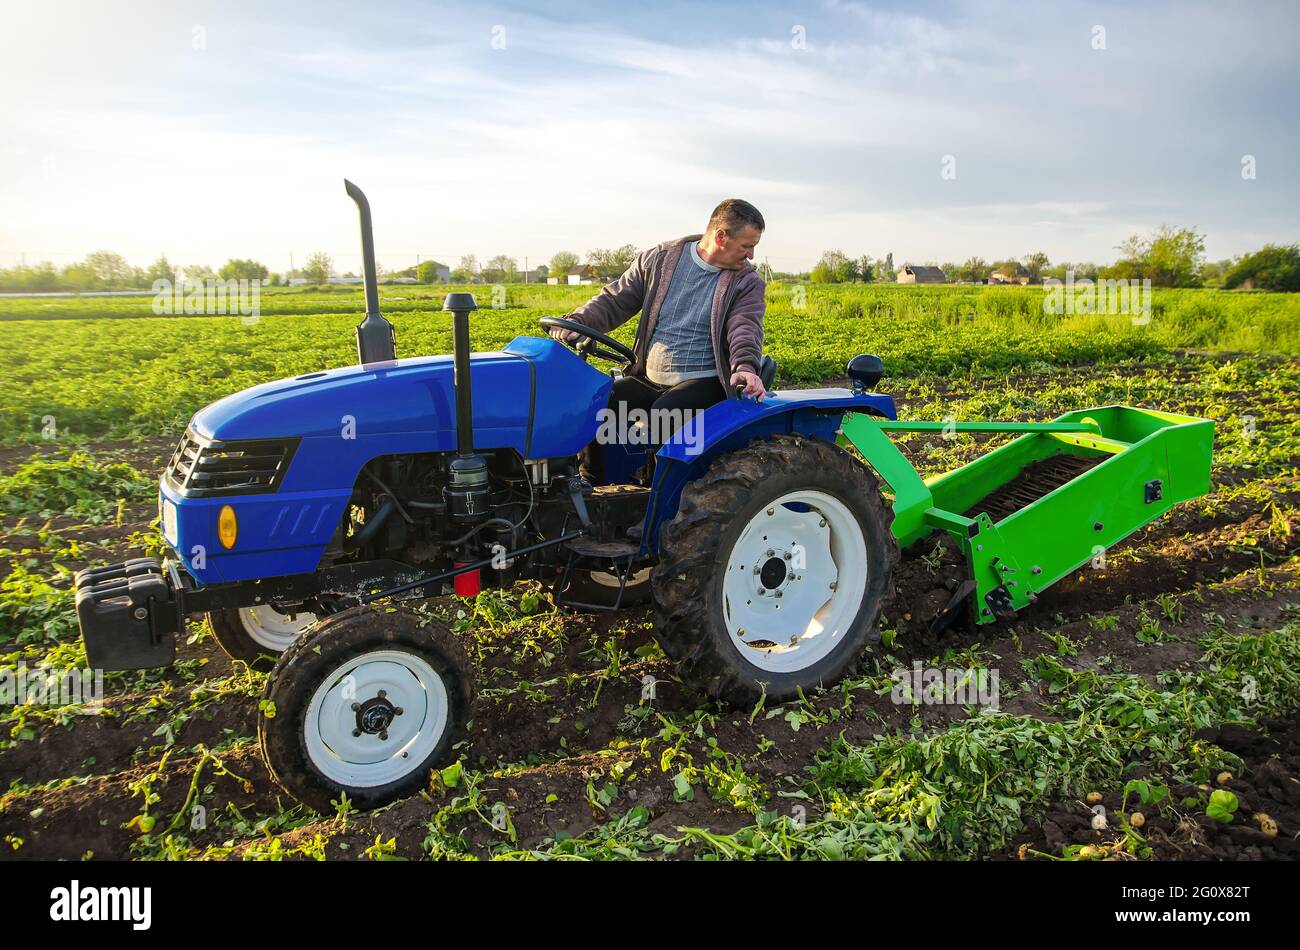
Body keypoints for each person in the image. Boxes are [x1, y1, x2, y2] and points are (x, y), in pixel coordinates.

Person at [550, 198, 767, 483]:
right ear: (721, 236)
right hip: (650, 377)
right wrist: (579, 321)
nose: (751, 255)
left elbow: (744, 327)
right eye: (746, 245)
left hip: (705, 380)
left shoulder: (746, 282)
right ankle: (591, 487)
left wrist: (745, 367)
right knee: (599, 400)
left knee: (665, 414)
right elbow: (615, 300)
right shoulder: (660, 260)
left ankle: (656, 502)